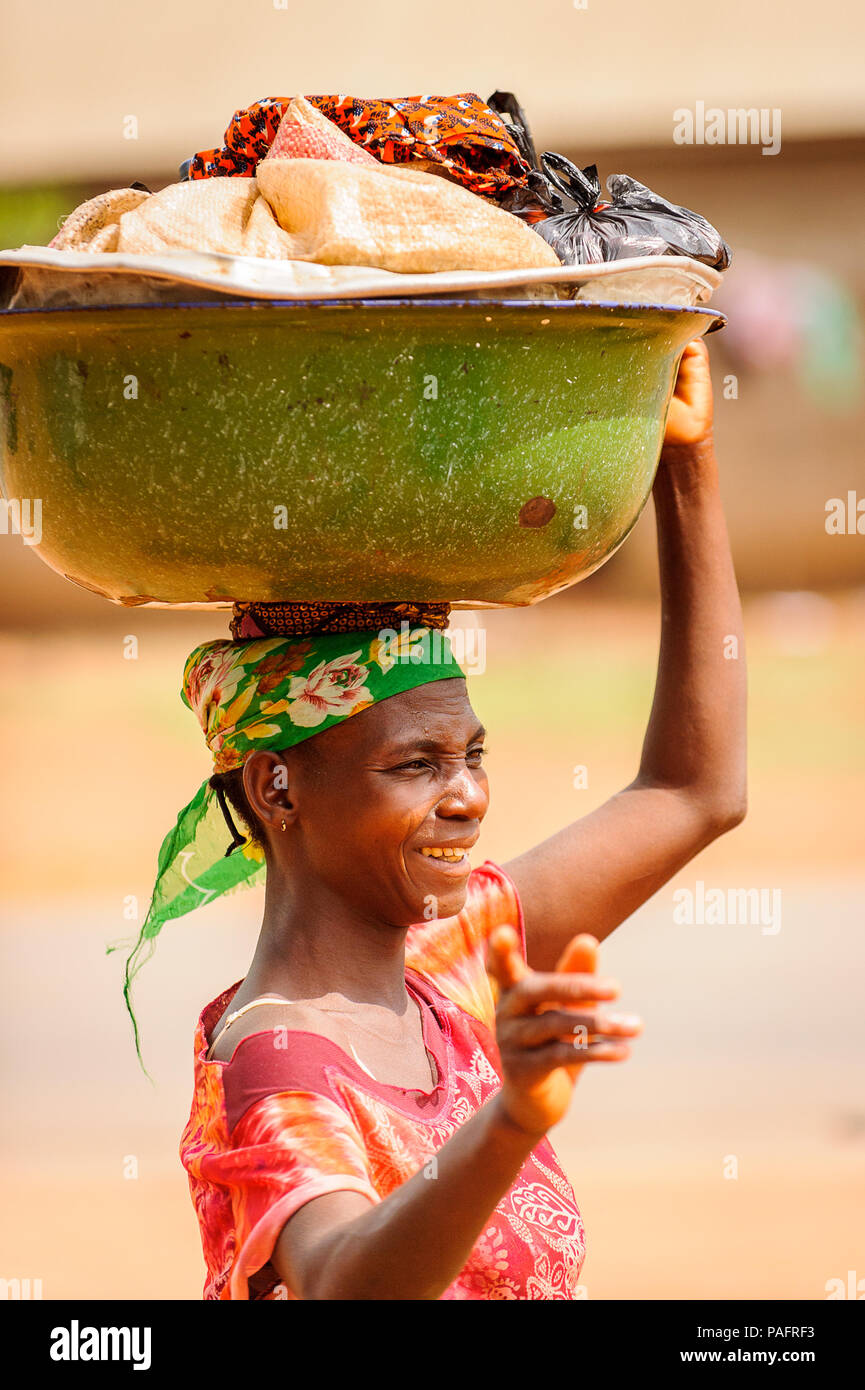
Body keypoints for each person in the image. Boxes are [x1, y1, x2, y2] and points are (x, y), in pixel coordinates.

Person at [130, 337, 745, 1299]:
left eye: (472, 755)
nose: (466, 796)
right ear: (275, 789)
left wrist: (684, 465)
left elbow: (693, 793)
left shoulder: (448, 960)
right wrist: (510, 1119)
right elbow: (343, 1278)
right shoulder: (275, 1063)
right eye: (415, 764)